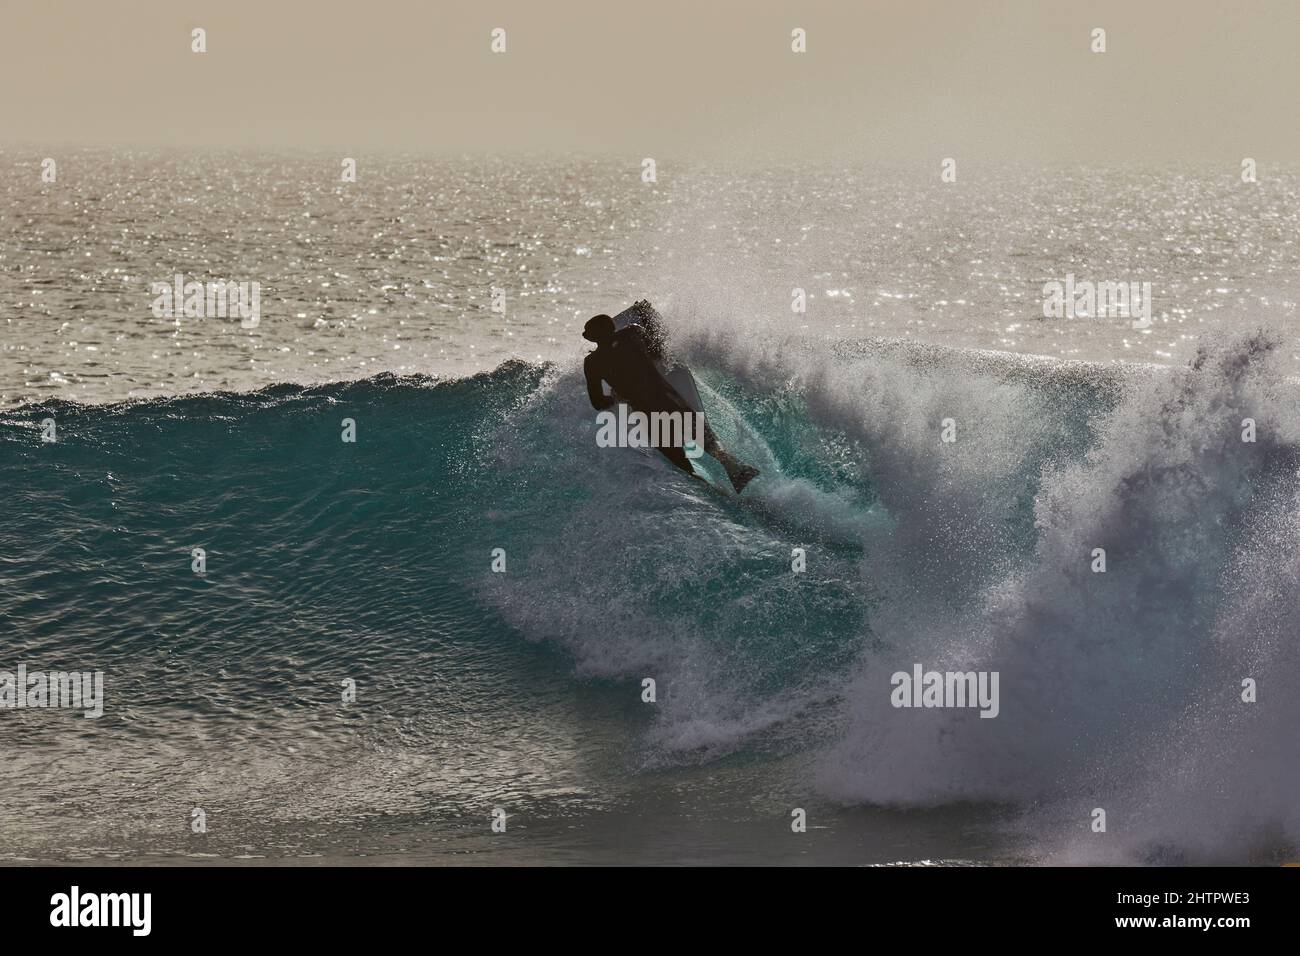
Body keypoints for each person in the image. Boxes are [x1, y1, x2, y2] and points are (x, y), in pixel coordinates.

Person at [582, 313, 760, 493]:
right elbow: (657, 349)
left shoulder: (592, 363)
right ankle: (738, 472)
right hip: (671, 401)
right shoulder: (632, 333)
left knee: (685, 468)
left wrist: (616, 396)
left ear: (593, 337)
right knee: (710, 447)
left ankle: (719, 495)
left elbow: (598, 403)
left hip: (649, 416)